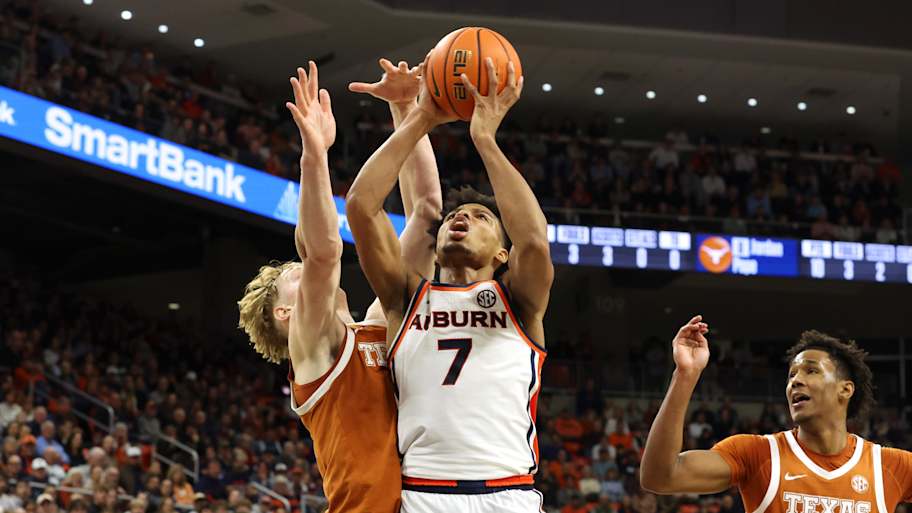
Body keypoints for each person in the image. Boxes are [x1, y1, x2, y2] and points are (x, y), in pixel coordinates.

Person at [346, 57, 552, 512]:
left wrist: (485, 140)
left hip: (508, 494)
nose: (462, 218)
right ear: (435, 247)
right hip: (424, 495)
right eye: (456, 216)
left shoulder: (518, 300)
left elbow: (534, 240)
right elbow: (362, 205)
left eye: (481, 218)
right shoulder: (405, 297)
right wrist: (418, 114)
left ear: (502, 254)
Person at [236, 59, 440, 513]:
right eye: (296, 277)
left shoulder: (377, 326)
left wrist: (406, 108)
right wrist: (314, 155)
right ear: (284, 315)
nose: (306, 276)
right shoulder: (311, 354)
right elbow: (324, 252)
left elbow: (427, 212)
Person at [640, 317, 912, 513]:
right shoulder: (757, 454)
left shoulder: (888, 466)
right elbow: (659, 477)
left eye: (811, 370)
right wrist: (685, 376)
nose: (795, 381)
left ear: (845, 389)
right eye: (792, 374)